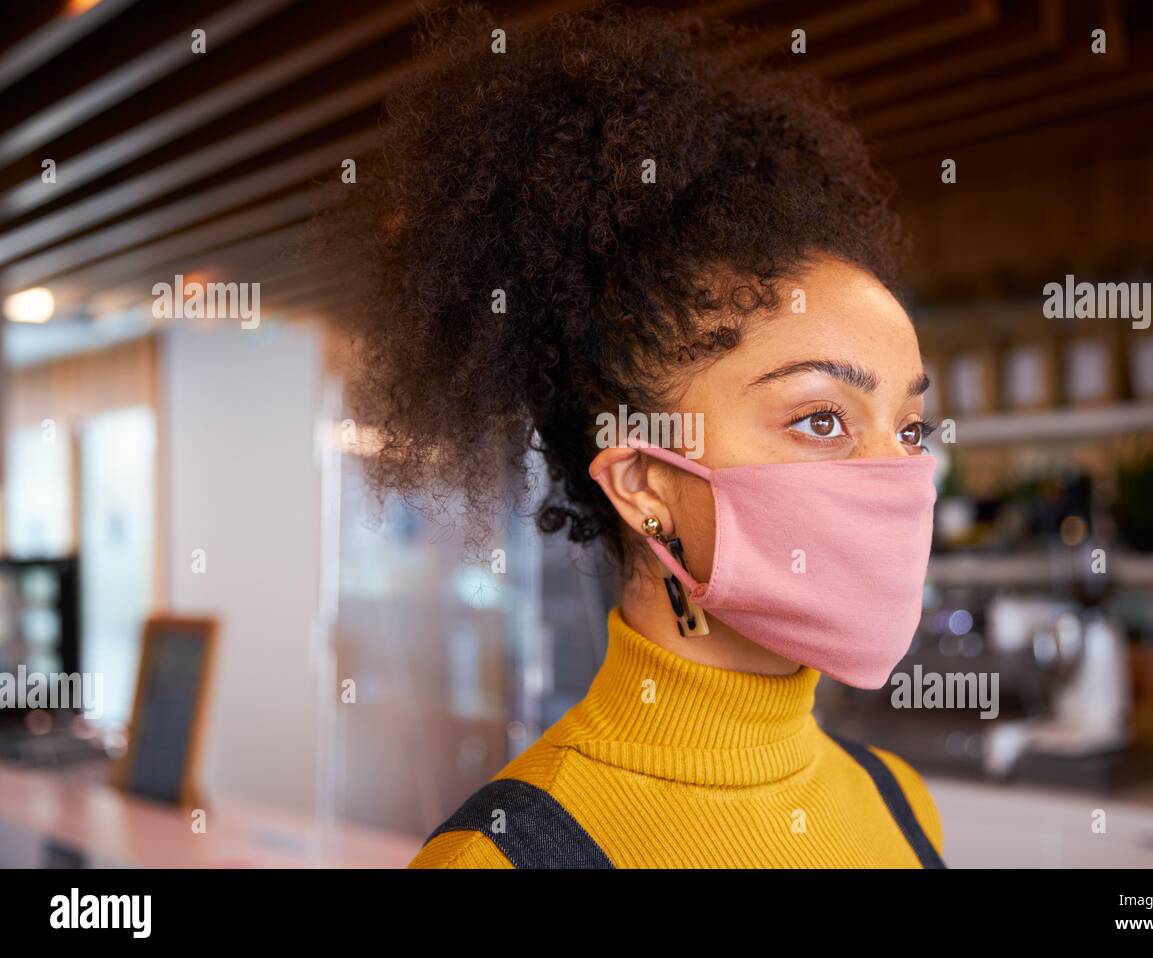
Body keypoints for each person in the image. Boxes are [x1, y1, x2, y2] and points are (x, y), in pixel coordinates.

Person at [315, 1, 945, 868]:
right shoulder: (503, 858)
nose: (899, 477)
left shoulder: (902, 804)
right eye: (822, 420)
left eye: (910, 429)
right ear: (645, 483)